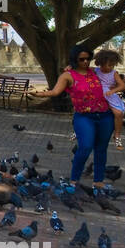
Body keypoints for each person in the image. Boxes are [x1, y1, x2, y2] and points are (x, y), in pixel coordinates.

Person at [32, 46, 115, 192]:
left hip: (105, 115)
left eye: (88, 59)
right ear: (75, 59)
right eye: (81, 59)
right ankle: (74, 180)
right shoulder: (68, 75)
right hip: (84, 117)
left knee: (101, 149)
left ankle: (98, 181)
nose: (85, 62)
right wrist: (39, 95)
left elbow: (111, 73)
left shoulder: (96, 72)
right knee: (85, 146)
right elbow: (56, 91)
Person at [94, 50, 125, 149]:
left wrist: (113, 91)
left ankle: (117, 134)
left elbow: (122, 85)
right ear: (101, 63)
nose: (111, 67)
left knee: (118, 113)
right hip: (96, 93)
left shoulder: (114, 73)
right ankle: (77, 131)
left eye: (113, 65)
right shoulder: (95, 70)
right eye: (109, 65)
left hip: (108, 94)